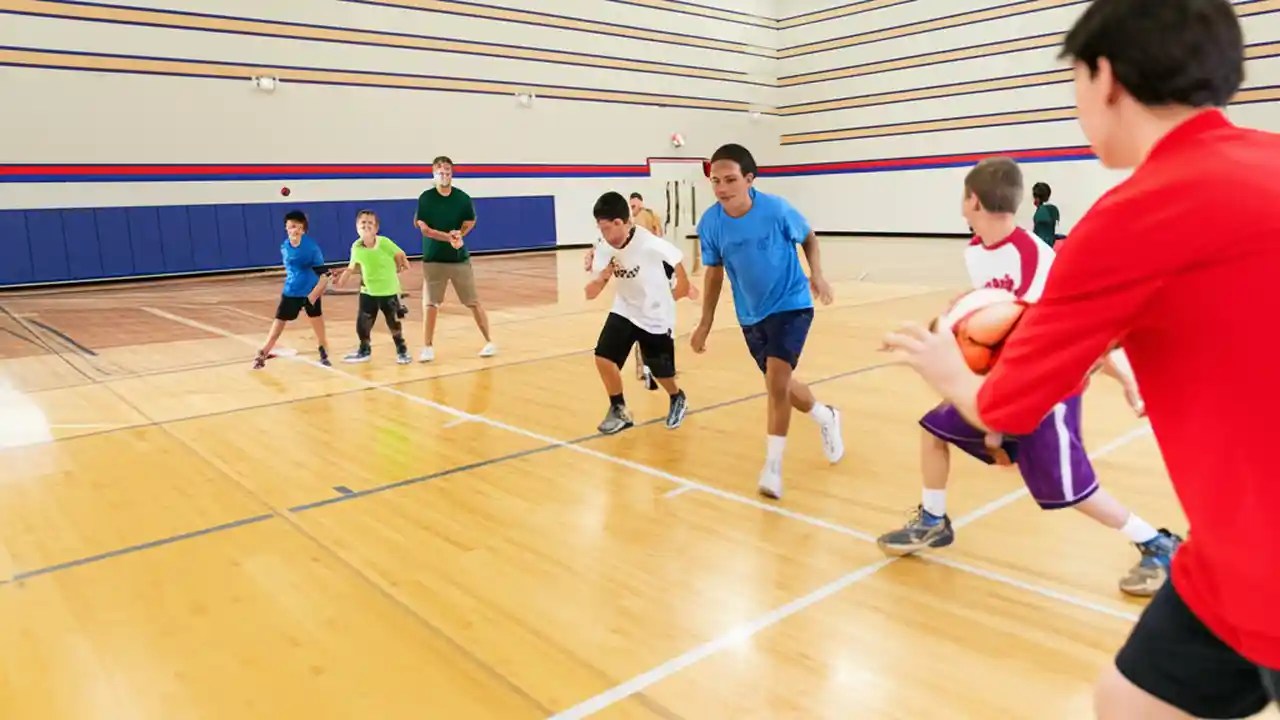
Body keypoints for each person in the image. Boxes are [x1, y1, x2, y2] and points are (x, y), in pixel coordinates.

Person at [881, 1, 1280, 717]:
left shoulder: (1134, 215)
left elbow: (1006, 408)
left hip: (1267, 567)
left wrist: (944, 367)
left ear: (1105, 77)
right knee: (1127, 701)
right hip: (1230, 559)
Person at [875, 157, 1179, 598]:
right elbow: (990, 322)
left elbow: (1060, 331)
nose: (962, 209)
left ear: (972, 200)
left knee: (1072, 490)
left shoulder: (1035, 255)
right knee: (933, 430)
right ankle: (933, 520)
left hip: (1050, 386)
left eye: (963, 200)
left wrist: (1121, 377)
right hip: (1005, 380)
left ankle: (1157, 543)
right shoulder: (976, 252)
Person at [691, 143, 844, 500]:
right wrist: (705, 323)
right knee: (783, 385)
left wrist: (817, 274)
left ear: (749, 179)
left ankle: (773, 467)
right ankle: (825, 415)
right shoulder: (711, 223)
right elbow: (713, 274)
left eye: (730, 180)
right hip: (750, 315)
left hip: (792, 305)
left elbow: (808, 237)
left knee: (775, 382)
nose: (722, 188)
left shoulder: (775, 210)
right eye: (715, 181)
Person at [586, 191, 690, 433]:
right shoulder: (604, 248)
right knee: (603, 357)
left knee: (659, 370)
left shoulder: (651, 244)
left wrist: (669, 299)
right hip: (625, 309)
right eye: (599, 230)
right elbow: (591, 293)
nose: (603, 235)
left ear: (620, 223)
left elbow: (682, 278)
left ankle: (677, 396)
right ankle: (619, 409)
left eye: (606, 229)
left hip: (654, 313)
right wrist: (602, 276)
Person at [414, 155, 496, 361]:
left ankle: (489, 341)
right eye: (440, 172)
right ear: (434, 174)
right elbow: (424, 229)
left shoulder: (462, 198)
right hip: (433, 259)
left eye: (447, 171)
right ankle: (427, 347)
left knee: (473, 302)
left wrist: (460, 234)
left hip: (459, 259)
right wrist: (447, 237)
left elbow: (470, 221)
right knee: (431, 304)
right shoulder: (426, 198)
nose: (444, 175)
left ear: (452, 174)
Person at [330, 209, 412, 364]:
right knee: (363, 324)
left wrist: (402, 264)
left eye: (370, 223)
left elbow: (399, 254)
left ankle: (402, 352)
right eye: (363, 222)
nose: (366, 225)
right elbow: (353, 266)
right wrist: (341, 280)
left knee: (393, 323)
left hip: (388, 291)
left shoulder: (385, 243)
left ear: (376, 228)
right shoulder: (356, 247)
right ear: (356, 227)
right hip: (367, 291)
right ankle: (364, 350)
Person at [254, 210, 331, 369]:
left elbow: (324, 275)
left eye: (296, 226)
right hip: (291, 290)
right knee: (279, 321)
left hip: (310, 290)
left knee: (317, 321)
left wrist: (313, 295)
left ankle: (324, 350)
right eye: (289, 226)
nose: (292, 230)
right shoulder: (285, 246)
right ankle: (265, 350)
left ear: (303, 229)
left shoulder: (312, 248)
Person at [1031, 182, 1062, 247]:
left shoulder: (1041, 212)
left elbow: (1041, 236)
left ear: (1036, 197)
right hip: (1051, 246)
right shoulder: (1053, 209)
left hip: (1042, 247)